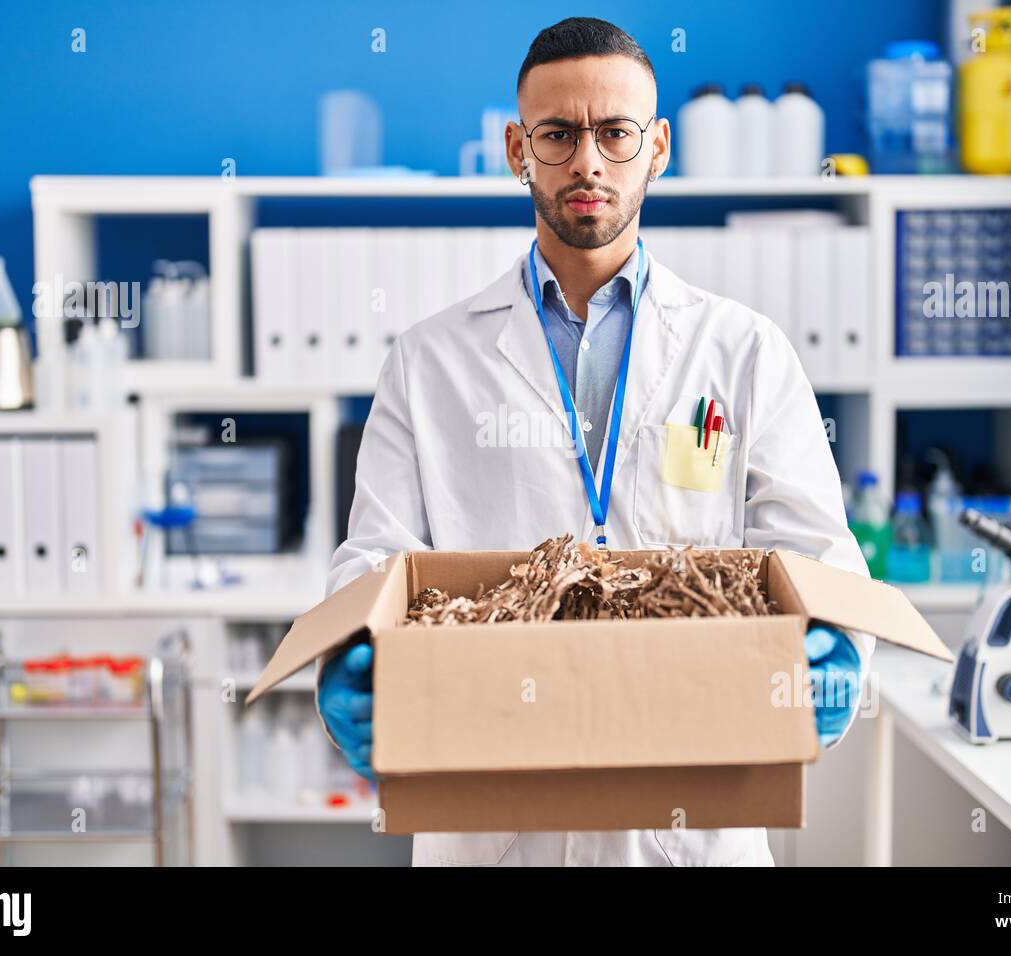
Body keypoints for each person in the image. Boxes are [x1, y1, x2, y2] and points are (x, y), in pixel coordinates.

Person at [317, 16, 870, 866]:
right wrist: (352, 653)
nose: (587, 161)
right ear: (516, 148)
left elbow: (820, 556)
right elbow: (376, 558)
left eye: (615, 133)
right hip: (494, 819)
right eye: (557, 134)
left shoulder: (745, 351)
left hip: (695, 814)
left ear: (657, 148)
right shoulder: (427, 360)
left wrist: (830, 645)